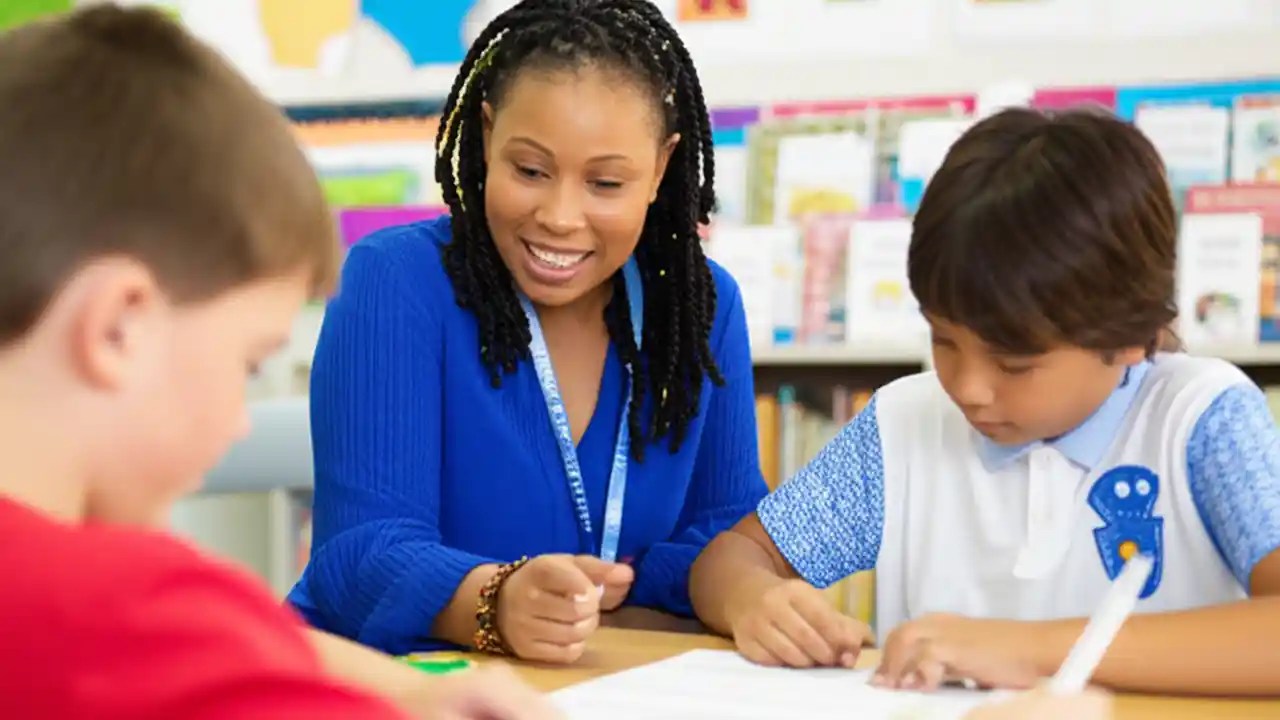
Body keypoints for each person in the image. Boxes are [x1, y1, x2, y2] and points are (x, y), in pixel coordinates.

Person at [0, 6, 555, 719]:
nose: (238, 424)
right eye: (248, 364)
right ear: (116, 328)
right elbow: (177, 632)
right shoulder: (111, 605)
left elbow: (231, 636)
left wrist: (421, 689)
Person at [689, 107, 1280, 696]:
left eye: (1014, 362)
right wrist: (754, 600)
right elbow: (733, 557)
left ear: (1129, 334)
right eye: (943, 339)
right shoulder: (904, 426)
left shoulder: (1202, 418)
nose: (967, 387)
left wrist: (1025, 650)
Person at [286, 0, 768, 662]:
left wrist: (748, 592)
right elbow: (360, 556)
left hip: (595, 685)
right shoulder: (395, 281)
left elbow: (722, 533)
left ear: (660, 170)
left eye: (605, 182)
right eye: (530, 171)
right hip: (384, 688)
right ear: (487, 138)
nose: (561, 217)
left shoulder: (704, 310)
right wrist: (495, 601)